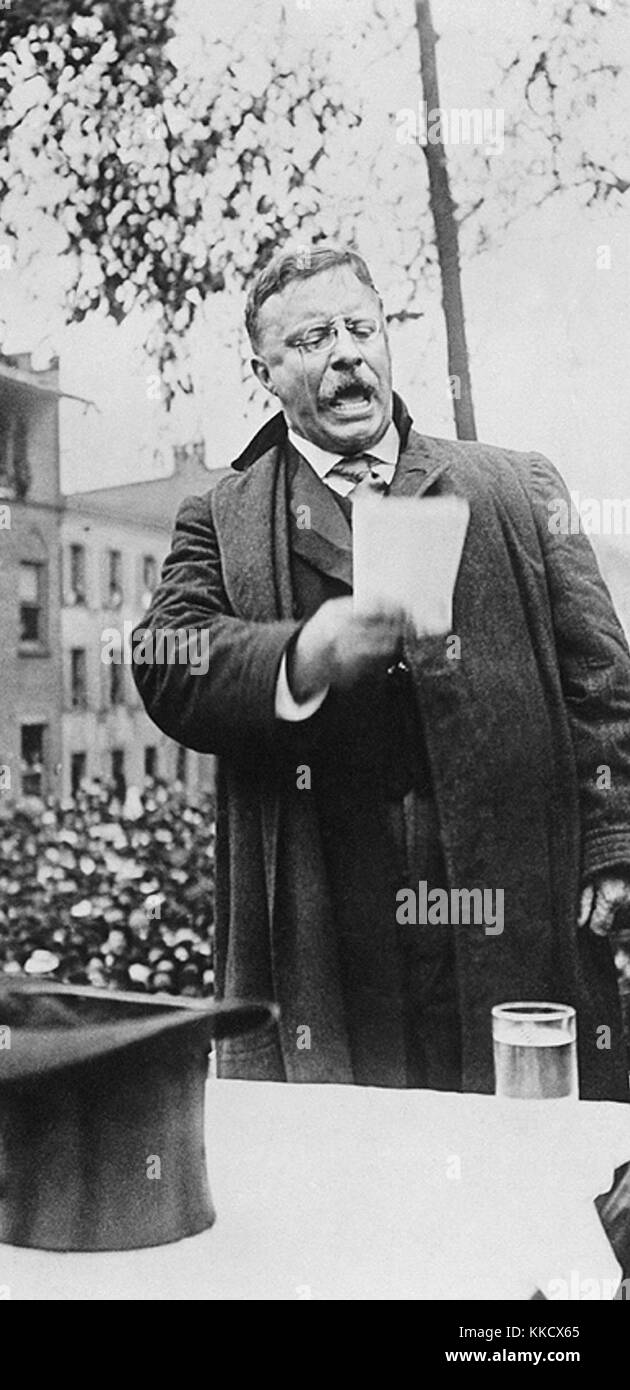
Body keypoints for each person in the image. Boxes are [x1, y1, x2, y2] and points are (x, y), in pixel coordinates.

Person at [133, 243, 630, 1098]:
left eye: (361, 328)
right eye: (313, 339)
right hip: (331, 922)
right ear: (266, 372)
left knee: (525, 1168)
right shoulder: (221, 519)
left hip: (511, 900)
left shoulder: (517, 485)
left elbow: (604, 685)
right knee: (355, 1172)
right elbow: (165, 662)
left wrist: (615, 844)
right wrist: (302, 655)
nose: (346, 354)